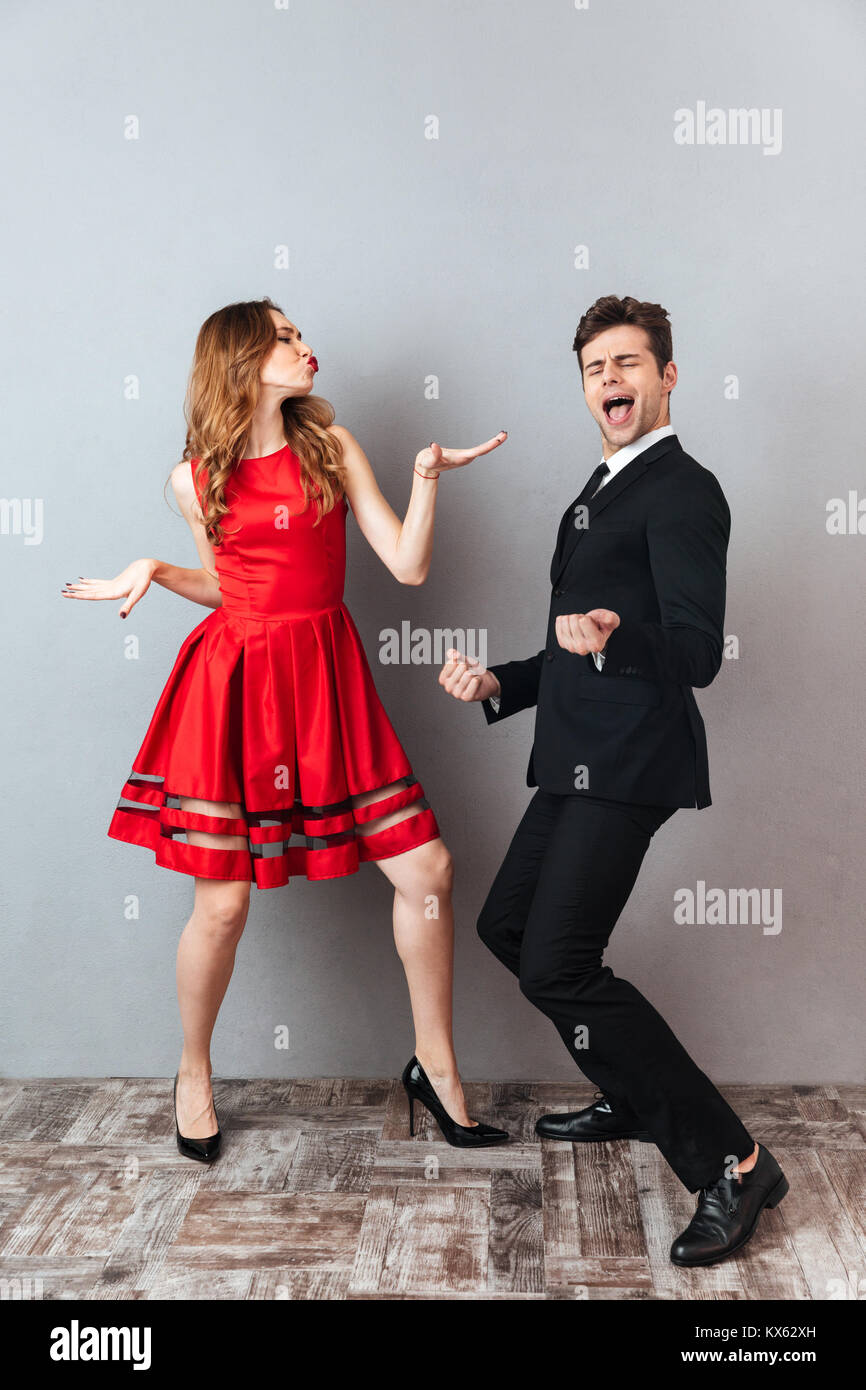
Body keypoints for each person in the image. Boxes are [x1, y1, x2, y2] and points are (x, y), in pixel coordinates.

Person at [62, 297, 510, 1161]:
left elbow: (409, 567)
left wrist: (426, 476)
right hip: (234, 686)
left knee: (427, 868)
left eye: (302, 335)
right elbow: (233, 591)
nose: (308, 348)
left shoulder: (330, 449)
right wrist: (157, 568)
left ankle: (437, 1068)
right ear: (242, 359)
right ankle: (193, 1071)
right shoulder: (193, 477)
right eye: (287, 338)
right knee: (223, 906)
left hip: (326, 678)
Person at [437, 294, 789, 1267]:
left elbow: (695, 652)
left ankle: (734, 1163)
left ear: (666, 376)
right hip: (572, 756)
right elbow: (568, 650)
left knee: (556, 961)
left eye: (628, 363)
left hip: (630, 761)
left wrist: (610, 634)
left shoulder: (681, 491)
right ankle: (635, 1094)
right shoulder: (598, 487)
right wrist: (499, 682)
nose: (611, 381)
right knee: (509, 928)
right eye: (595, 367)